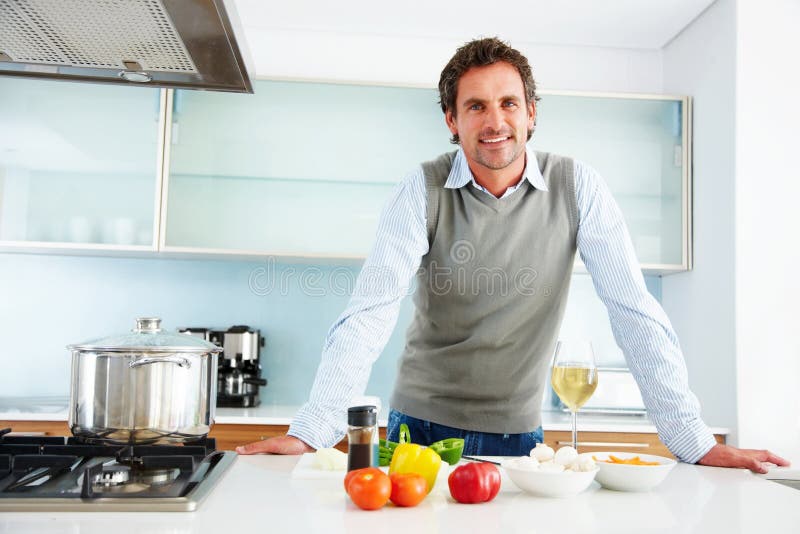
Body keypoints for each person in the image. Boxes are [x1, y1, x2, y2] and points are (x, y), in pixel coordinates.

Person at [237, 37, 788, 473]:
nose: (494, 121)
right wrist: (311, 429)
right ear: (452, 121)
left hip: (521, 436)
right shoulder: (422, 189)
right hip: (417, 427)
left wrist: (692, 442)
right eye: (475, 106)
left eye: (508, 103)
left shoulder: (579, 187)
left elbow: (632, 308)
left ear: (531, 113)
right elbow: (370, 311)